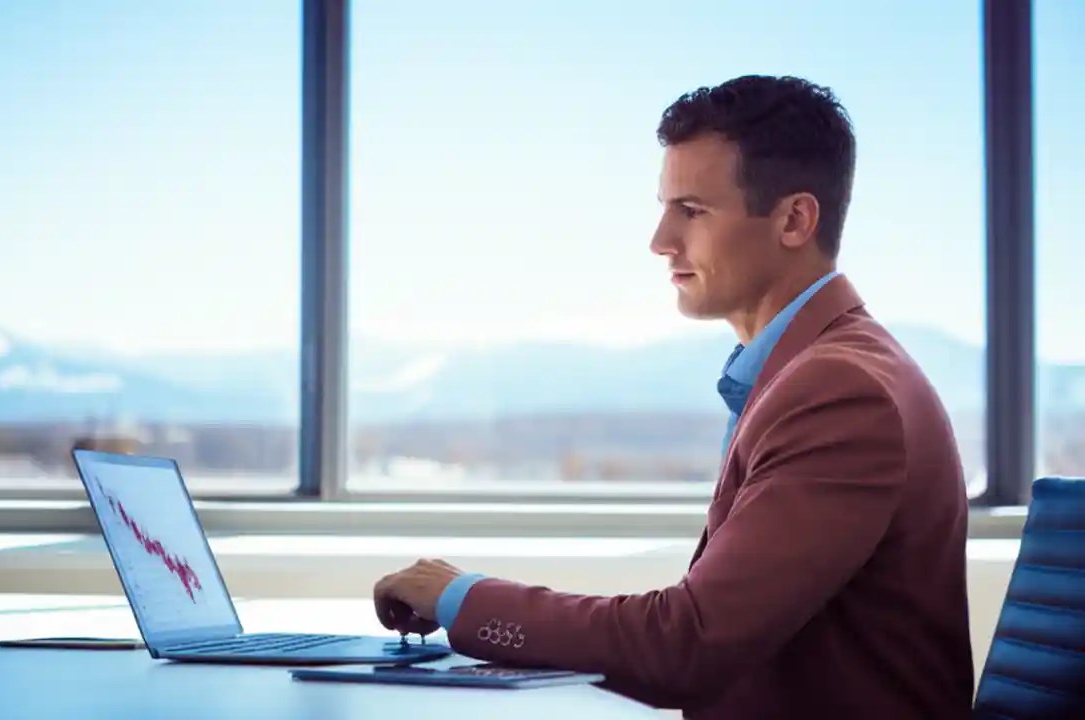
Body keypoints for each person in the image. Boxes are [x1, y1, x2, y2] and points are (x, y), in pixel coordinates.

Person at [371, 75, 974, 718]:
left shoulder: (840, 391)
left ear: (794, 219)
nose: (659, 240)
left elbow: (688, 644)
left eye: (691, 211)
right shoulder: (813, 367)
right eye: (664, 207)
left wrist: (462, 596)